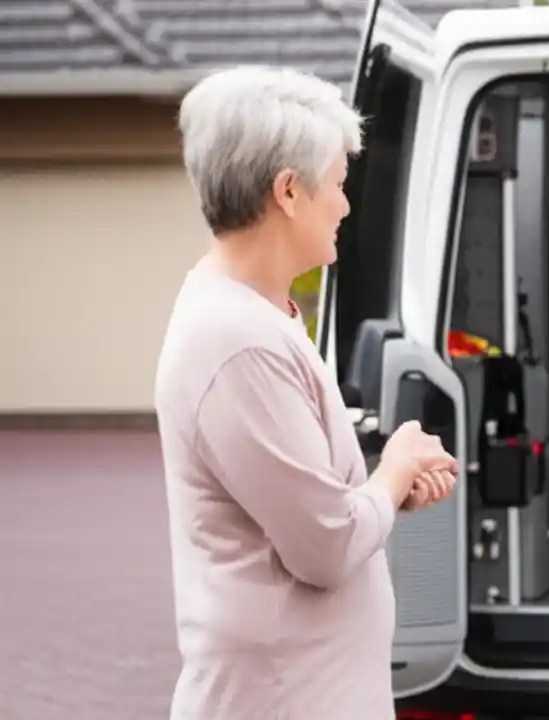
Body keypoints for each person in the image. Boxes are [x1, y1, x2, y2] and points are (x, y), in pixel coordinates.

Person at [153, 65, 458, 720]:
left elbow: (307, 510)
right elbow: (325, 547)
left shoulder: (258, 316)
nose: (346, 206)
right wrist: (396, 466)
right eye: (338, 185)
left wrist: (380, 492)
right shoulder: (237, 342)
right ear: (288, 191)